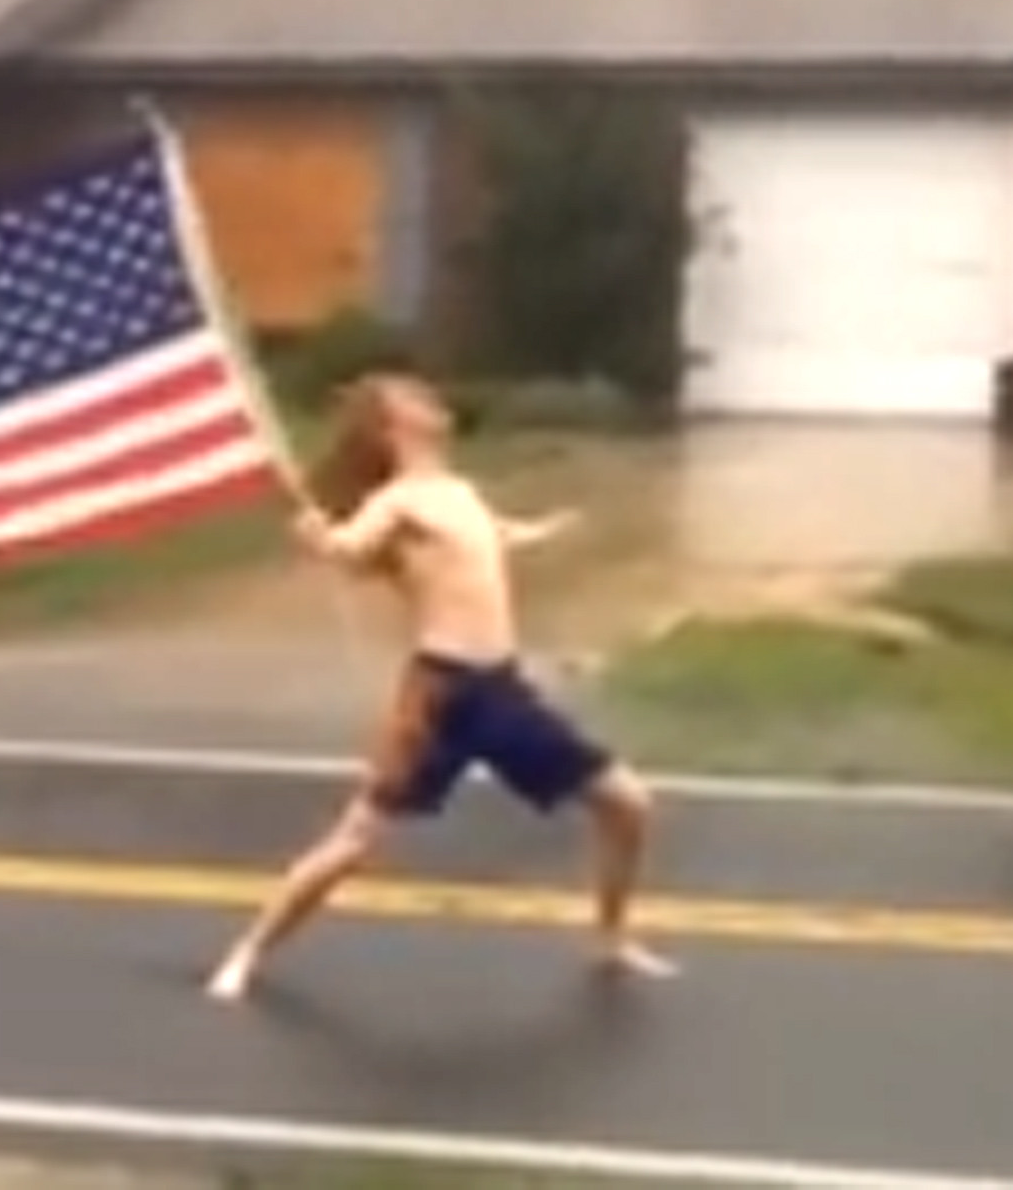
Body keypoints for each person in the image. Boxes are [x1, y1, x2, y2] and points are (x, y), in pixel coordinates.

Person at [205, 373, 675, 1003]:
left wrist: (546, 529)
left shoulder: (459, 491)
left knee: (629, 805)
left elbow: (496, 536)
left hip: (504, 693)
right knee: (353, 843)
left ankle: (609, 937)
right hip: (442, 698)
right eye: (413, 398)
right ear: (389, 426)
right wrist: (320, 538)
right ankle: (247, 955)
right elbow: (351, 551)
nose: (432, 401)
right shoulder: (398, 502)